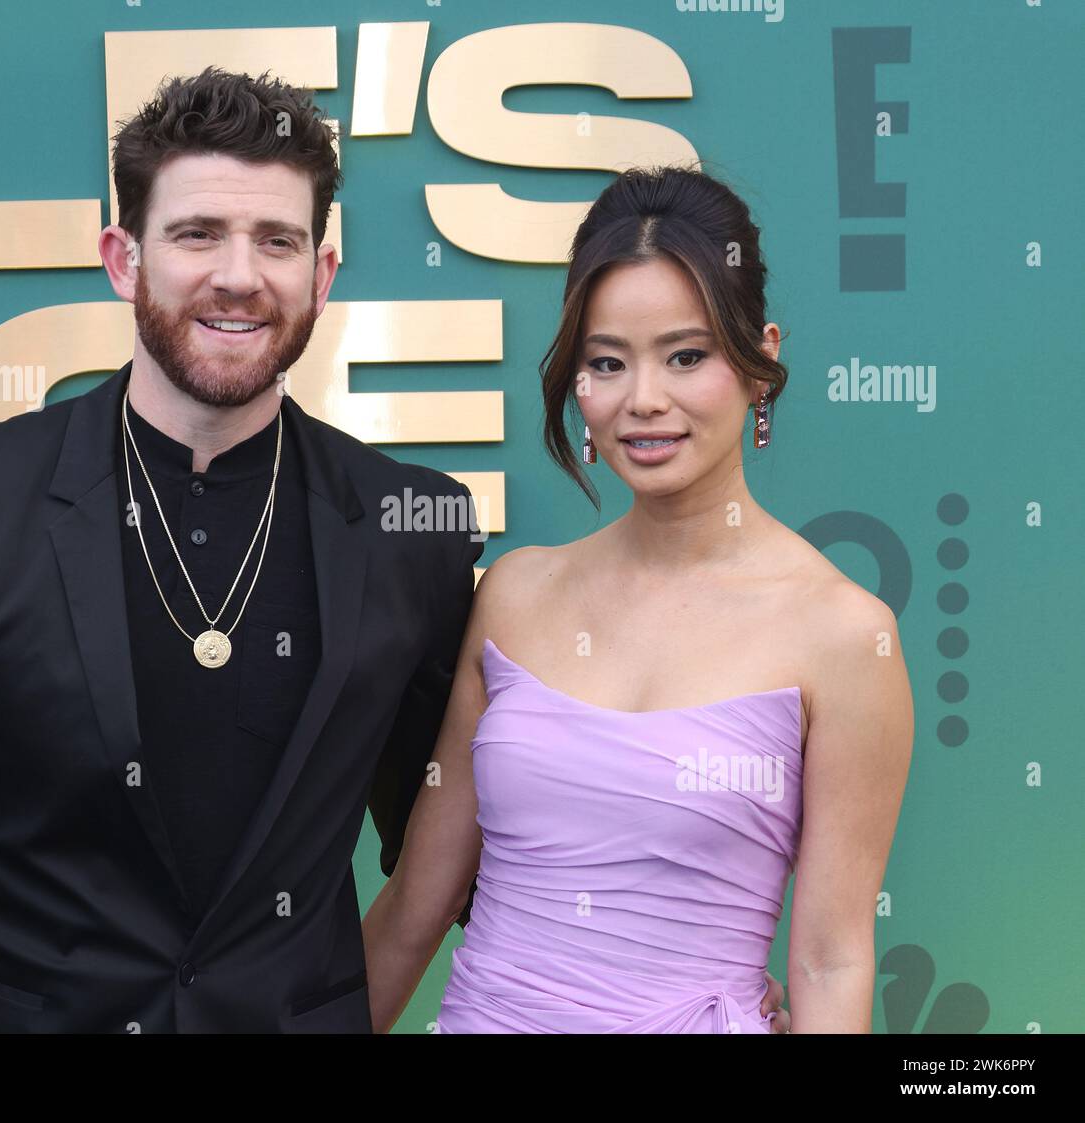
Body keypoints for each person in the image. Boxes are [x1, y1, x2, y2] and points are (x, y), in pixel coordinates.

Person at [0, 67, 482, 1033]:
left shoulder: (417, 526)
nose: (239, 275)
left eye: (276, 241)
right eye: (197, 233)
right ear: (124, 259)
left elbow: (454, 844)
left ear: (321, 277)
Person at [362, 165, 914, 1033]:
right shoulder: (515, 592)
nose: (644, 400)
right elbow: (416, 905)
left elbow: (831, 956)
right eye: (607, 362)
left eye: (686, 356)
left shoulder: (844, 636)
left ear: (760, 359)